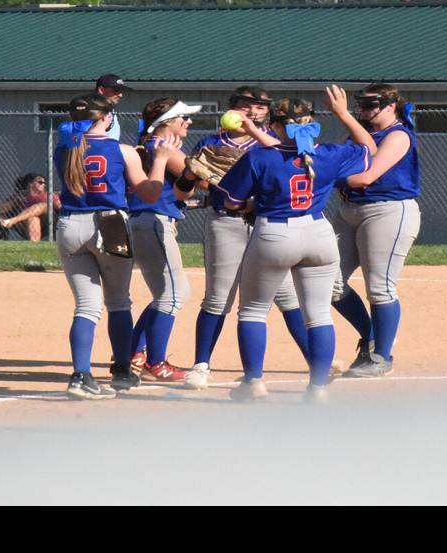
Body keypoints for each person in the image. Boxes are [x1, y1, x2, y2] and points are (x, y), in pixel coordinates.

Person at [214, 88, 377, 402]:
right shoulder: (329, 153)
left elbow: (230, 201)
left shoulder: (260, 156)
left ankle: (254, 383)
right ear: (311, 122)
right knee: (318, 315)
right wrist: (343, 113)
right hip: (318, 232)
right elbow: (368, 148)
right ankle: (317, 389)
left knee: (252, 312)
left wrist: (248, 203)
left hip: (274, 234)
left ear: (274, 125)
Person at [175, 85, 308, 391]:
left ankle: (315, 359)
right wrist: (193, 176)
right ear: (232, 107)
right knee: (218, 297)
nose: (254, 111)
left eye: (261, 107)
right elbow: (183, 192)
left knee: (287, 295)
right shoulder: (209, 143)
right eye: (247, 105)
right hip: (227, 223)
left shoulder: (275, 142)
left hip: (267, 223)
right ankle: (201, 366)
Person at [53, 92, 175, 400]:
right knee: (119, 301)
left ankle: (80, 376)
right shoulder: (122, 151)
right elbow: (149, 193)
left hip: (69, 225)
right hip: (110, 226)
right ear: (107, 118)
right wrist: (159, 161)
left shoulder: (64, 149)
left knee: (86, 306)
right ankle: (122, 371)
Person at [332, 82, 421, 378]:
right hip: (349, 212)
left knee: (379, 287)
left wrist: (322, 176)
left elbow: (366, 177)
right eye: (361, 105)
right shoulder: (362, 133)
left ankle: (381, 356)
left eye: (371, 105)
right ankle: (372, 336)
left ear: (390, 105)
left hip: (387, 211)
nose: (364, 110)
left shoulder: (397, 135)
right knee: (329, 283)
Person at [122, 98, 203, 387]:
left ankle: (133, 355)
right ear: (167, 121)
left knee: (165, 295)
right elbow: (202, 178)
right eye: (183, 118)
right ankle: (156, 362)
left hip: (145, 222)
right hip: (154, 222)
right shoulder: (163, 147)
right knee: (175, 294)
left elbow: (182, 190)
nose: (188, 123)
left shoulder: (149, 144)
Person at [0, 173, 59, 242]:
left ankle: (11, 221)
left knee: (44, 205)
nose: (43, 184)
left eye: (44, 183)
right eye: (40, 182)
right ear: (30, 183)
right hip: (26, 225)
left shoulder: (49, 195)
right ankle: (33, 249)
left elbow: (60, 207)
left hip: (48, 224)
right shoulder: (19, 196)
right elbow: (3, 208)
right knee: (33, 218)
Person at [94, 74, 129, 140]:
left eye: (121, 91)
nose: (121, 95)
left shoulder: (109, 109)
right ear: (101, 90)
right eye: (116, 90)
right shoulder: (92, 111)